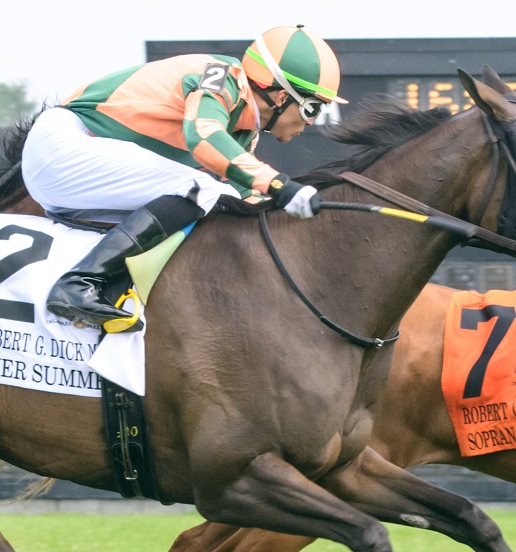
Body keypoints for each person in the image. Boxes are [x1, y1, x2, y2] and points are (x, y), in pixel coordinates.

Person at [21, 24, 346, 333]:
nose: (312, 122)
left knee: (210, 199)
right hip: (62, 148)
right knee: (198, 188)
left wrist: (315, 217)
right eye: (312, 108)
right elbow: (202, 134)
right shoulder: (219, 74)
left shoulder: (245, 131)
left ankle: (115, 288)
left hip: (84, 167)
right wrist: (280, 185)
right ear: (280, 96)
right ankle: (78, 284)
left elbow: (246, 200)